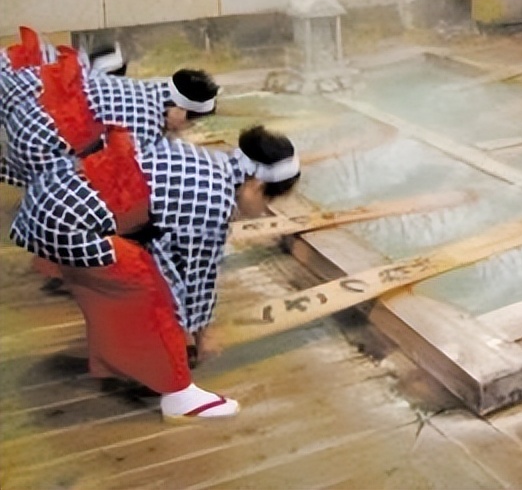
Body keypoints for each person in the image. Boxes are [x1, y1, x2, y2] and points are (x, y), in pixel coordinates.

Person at [10, 124, 301, 421]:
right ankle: (179, 395)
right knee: (149, 292)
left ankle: (118, 363)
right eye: (269, 201)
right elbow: (198, 275)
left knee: (113, 293)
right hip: (68, 226)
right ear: (255, 186)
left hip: (50, 206)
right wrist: (203, 333)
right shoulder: (216, 199)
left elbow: (166, 246)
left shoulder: (212, 162)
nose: (265, 211)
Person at [1, 48, 220, 188]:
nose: (186, 127)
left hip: (20, 109)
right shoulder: (146, 128)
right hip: (32, 143)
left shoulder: (142, 87)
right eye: (190, 121)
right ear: (180, 110)